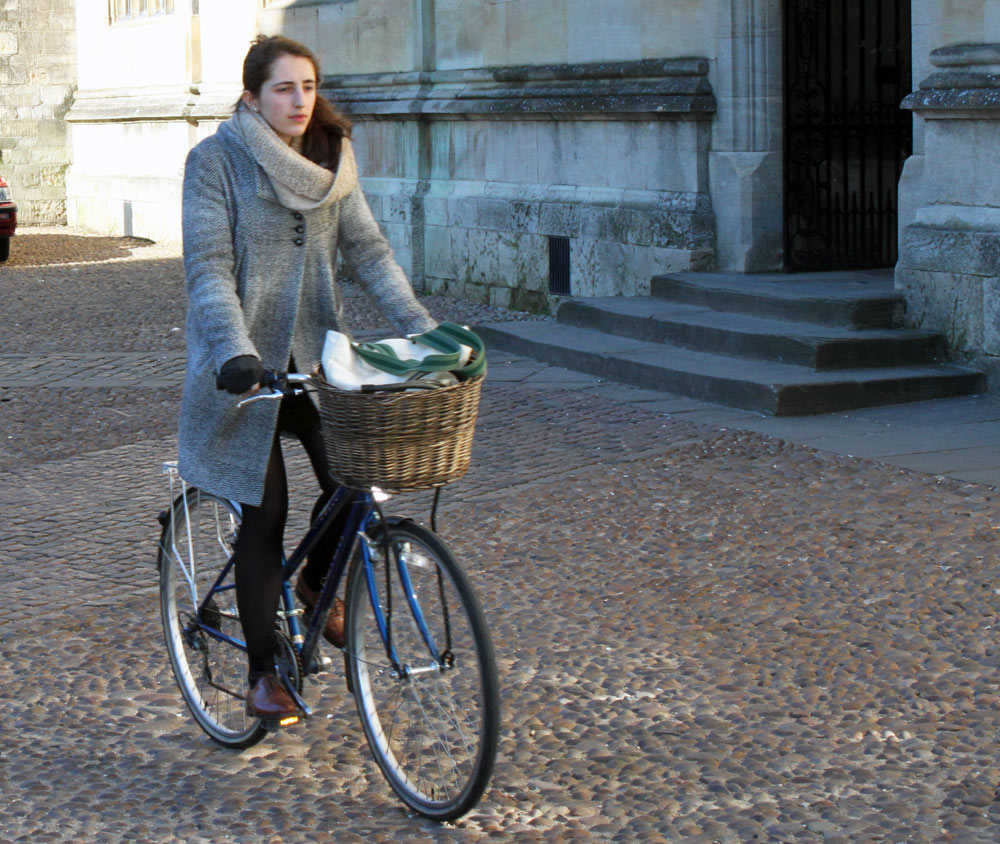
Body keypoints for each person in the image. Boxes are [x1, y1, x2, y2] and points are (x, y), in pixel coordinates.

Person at [178, 35, 437, 720]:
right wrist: (234, 351)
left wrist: (423, 329)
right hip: (241, 369)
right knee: (267, 512)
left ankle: (319, 580)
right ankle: (265, 674)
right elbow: (208, 270)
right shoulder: (215, 163)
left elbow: (370, 253)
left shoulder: (332, 164)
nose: (299, 101)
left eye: (309, 86)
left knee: (356, 481)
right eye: (284, 88)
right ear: (252, 97)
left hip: (319, 361)